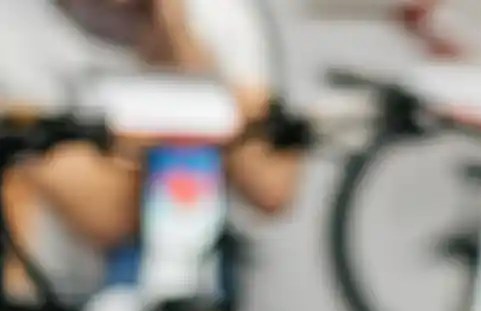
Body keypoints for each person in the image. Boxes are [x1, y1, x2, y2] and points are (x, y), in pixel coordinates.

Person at [0, 0, 302, 295]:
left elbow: (271, 186)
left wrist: (185, 53)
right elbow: (105, 217)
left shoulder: (216, 12)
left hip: (214, 300)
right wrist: (203, 116)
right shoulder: (14, 27)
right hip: (68, 299)